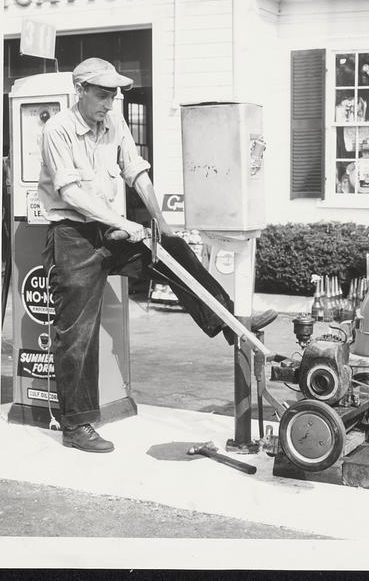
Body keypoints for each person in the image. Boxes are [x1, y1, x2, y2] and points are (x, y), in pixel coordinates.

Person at [38, 57, 276, 453]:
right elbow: (72, 194)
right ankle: (76, 426)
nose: (108, 104)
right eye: (102, 95)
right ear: (79, 91)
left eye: (113, 96)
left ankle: (224, 319)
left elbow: (135, 172)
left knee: (173, 251)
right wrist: (122, 221)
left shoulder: (114, 122)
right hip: (73, 236)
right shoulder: (57, 130)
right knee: (77, 334)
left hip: (112, 229)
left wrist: (161, 224)